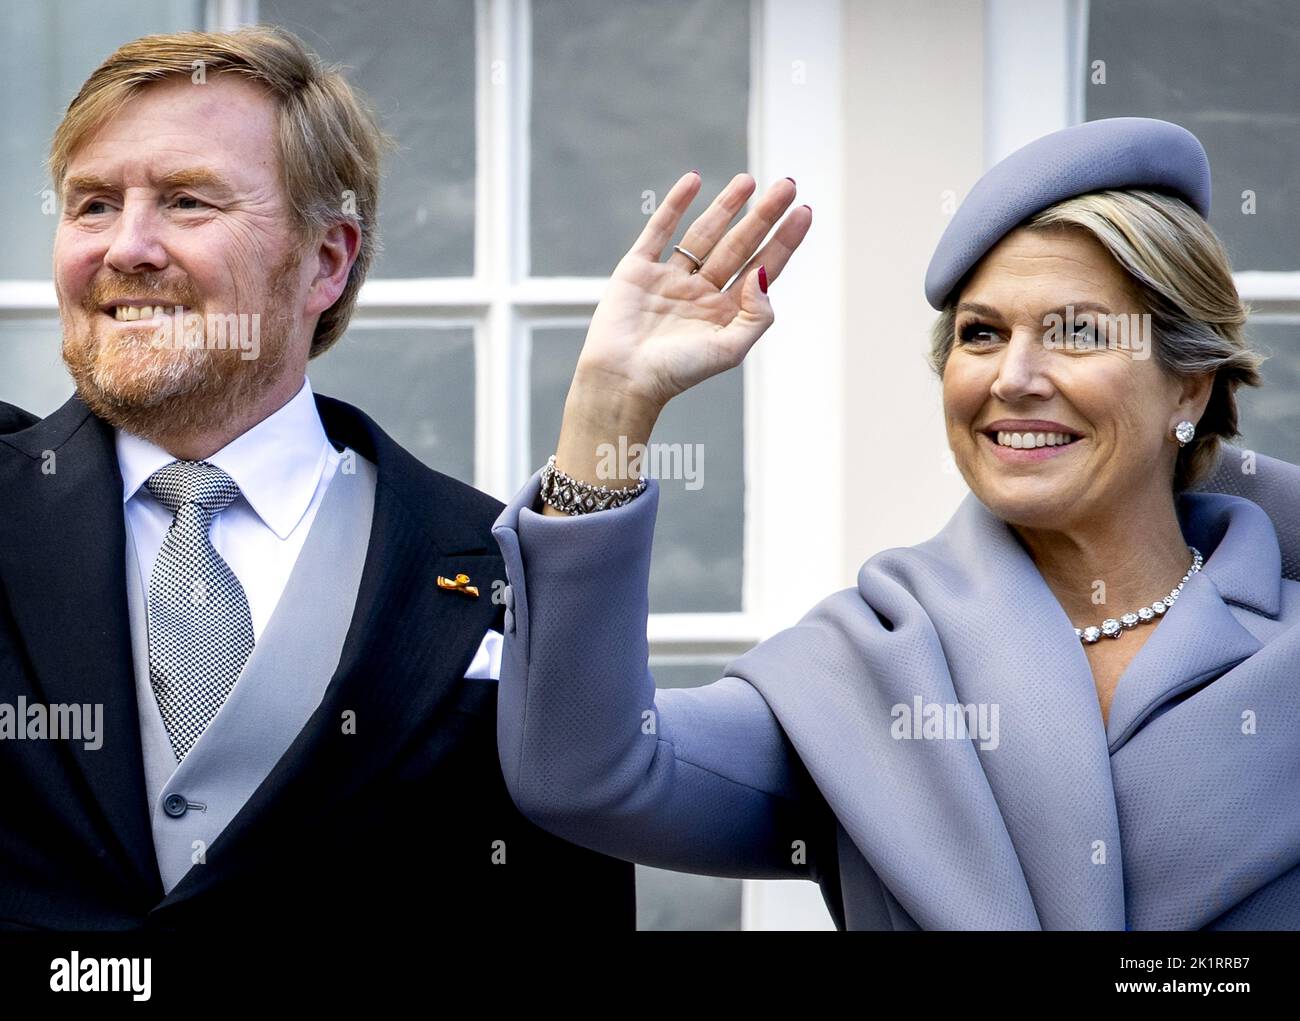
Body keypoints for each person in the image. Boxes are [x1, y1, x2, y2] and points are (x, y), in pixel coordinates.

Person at [490, 117, 1300, 930]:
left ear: (1190, 388)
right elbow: (584, 770)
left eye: (1078, 333)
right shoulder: (869, 667)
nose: (1014, 378)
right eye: (982, 334)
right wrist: (611, 405)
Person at [0, 26, 633, 933]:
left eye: (186, 202)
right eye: (93, 205)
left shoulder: (498, 573)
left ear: (326, 261)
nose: (126, 248)